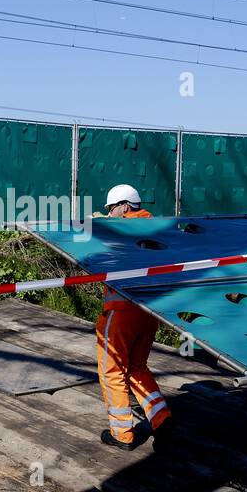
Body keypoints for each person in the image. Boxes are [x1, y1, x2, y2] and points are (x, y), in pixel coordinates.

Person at [94, 184, 175, 450]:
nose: (109, 214)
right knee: (137, 366)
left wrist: (97, 228)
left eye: (112, 208)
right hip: (149, 312)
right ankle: (161, 418)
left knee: (112, 370)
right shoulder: (156, 227)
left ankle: (122, 434)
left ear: (125, 206)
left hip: (121, 312)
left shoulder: (120, 231)